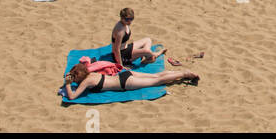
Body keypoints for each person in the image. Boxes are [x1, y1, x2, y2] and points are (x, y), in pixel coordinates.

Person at [62, 61, 198, 99]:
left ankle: (184, 74)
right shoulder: (91, 73)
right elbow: (78, 70)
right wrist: (72, 75)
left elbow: (72, 96)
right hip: (124, 75)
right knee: (157, 76)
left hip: (125, 83)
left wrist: (68, 84)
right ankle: (179, 72)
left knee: (157, 81)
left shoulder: (87, 82)